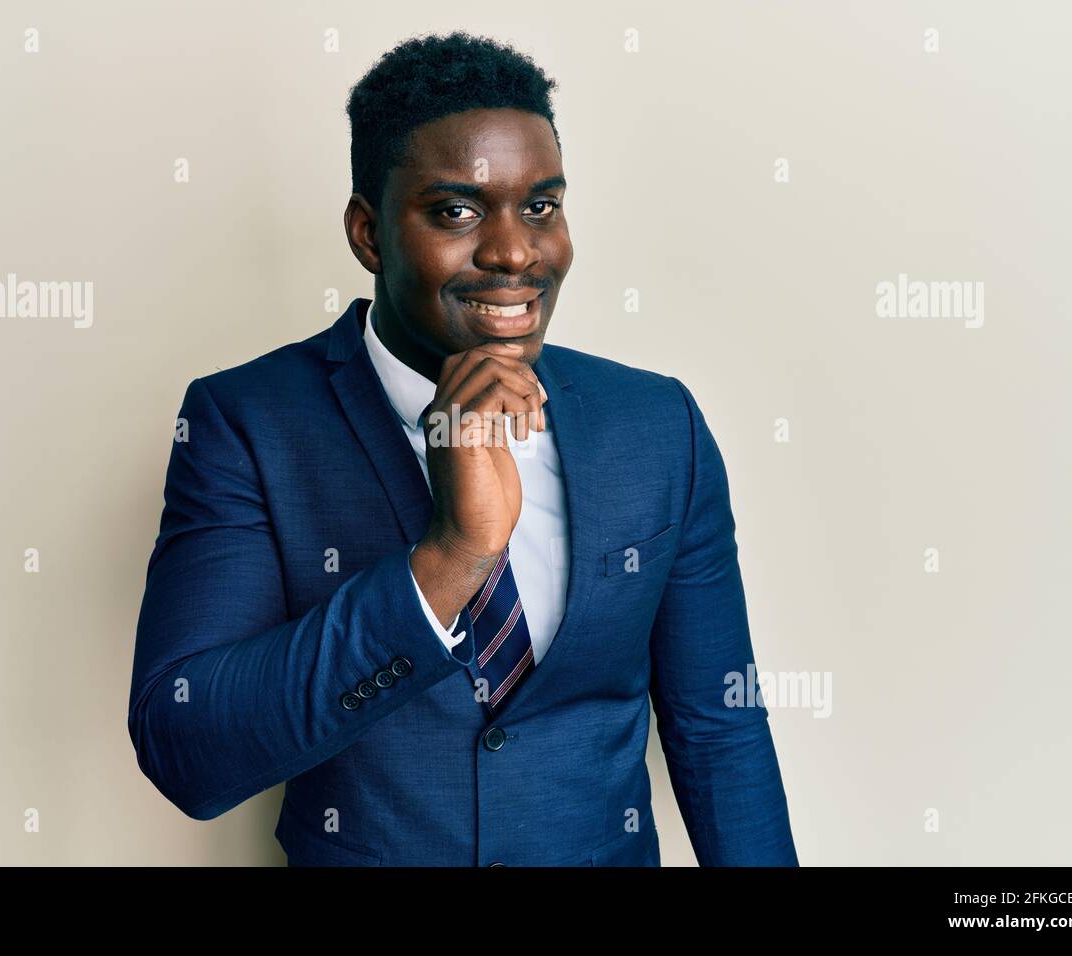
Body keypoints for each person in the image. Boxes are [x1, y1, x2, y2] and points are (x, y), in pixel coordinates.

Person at [127, 31, 798, 867]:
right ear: (369, 234)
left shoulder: (657, 426)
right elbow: (187, 747)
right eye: (457, 211)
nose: (515, 252)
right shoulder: (246, 423)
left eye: (542, 207)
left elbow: (719, 729)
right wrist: (452, 557)